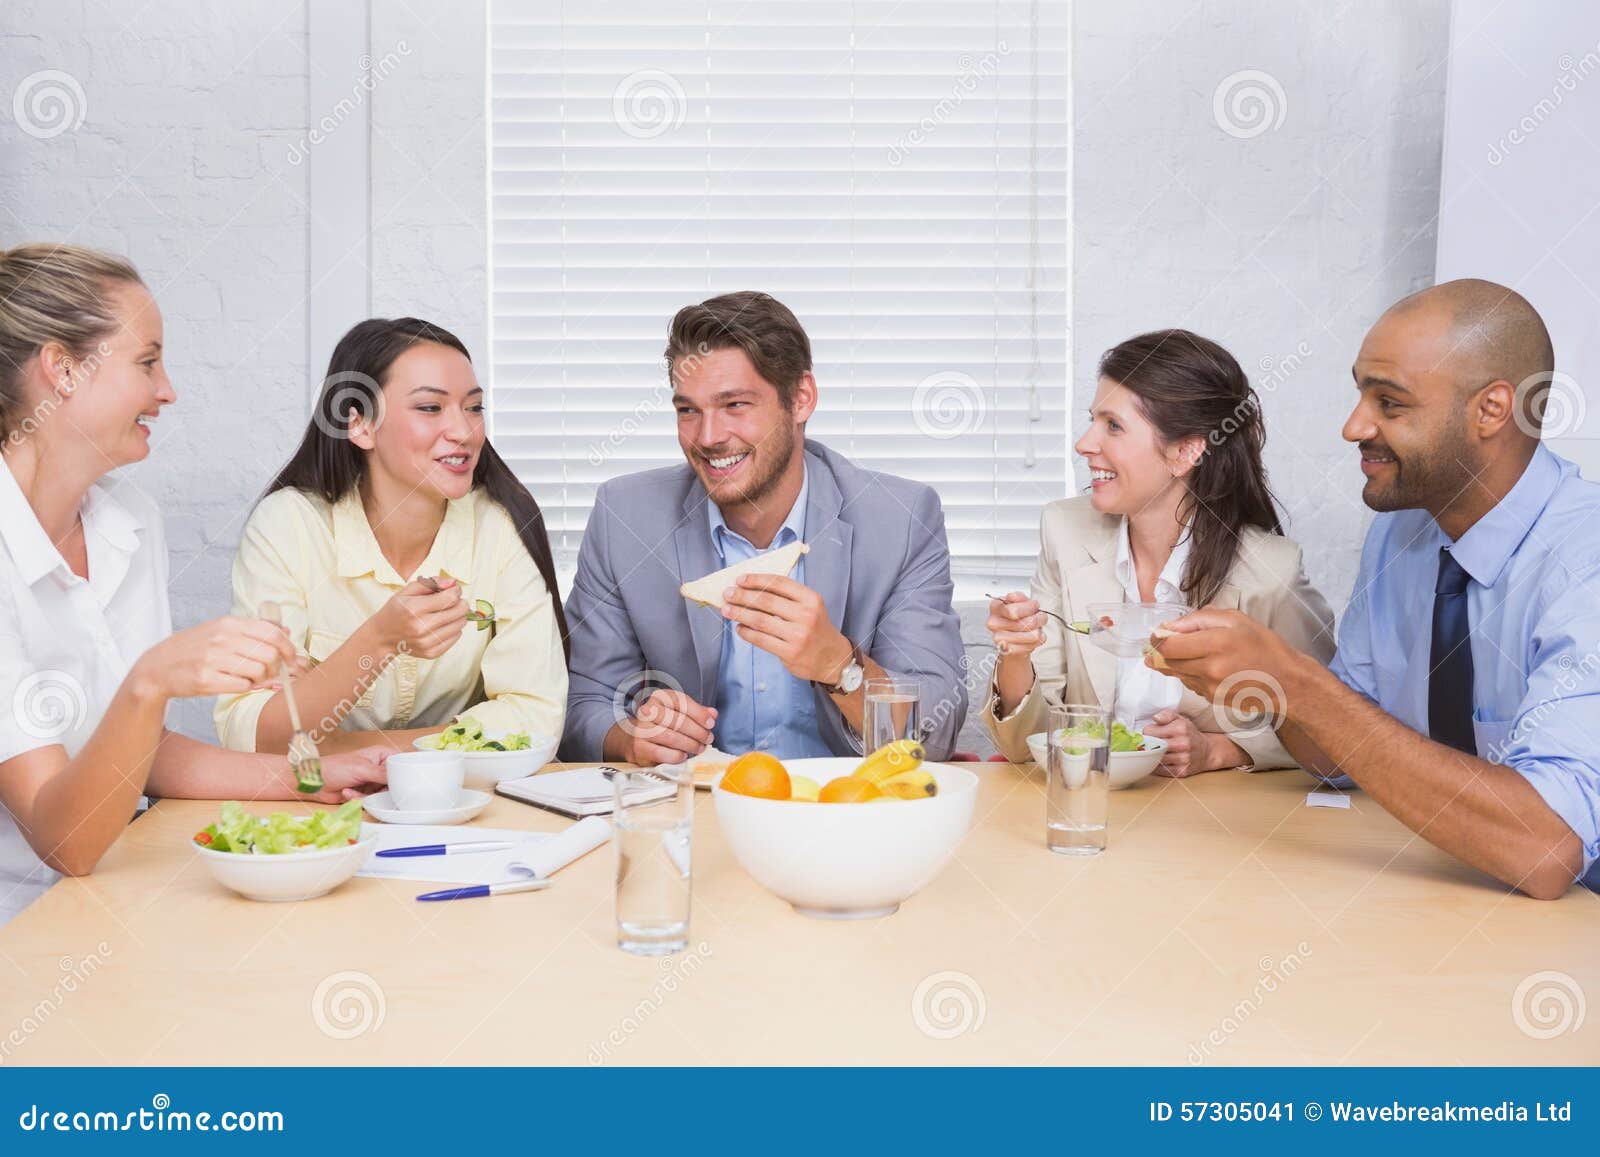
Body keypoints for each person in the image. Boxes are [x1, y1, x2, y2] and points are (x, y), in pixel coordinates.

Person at [1153, 280, 1600, 900]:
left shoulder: (1587, 561)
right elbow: (1337, 755)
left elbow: (1546, 849)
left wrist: (1300, 681)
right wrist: (1267, 682)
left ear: (1492, 410)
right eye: (1359, 391)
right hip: (1454, 894)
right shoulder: (1402, 533)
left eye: (1389, 403)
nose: (1353, 425)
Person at [0, 244, 389, 925]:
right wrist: (152, 680)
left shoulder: (129, 522)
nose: (168, 389)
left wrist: (307, 777)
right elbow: (65, 840)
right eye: (147, 362)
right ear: (62, 369)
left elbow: (133, 753)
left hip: (114, 891)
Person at [559, 291, 967, 765]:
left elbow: (934, 735)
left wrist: (839, 665)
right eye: (688, 410)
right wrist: (631, 737)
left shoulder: (902, 518)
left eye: (734, 404)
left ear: (800, 399)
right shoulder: (624, 516)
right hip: (697, 811)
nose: (708, 437)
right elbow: (579, 703)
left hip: (843, 812)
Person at [982, 330, 1335, 774]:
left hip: (1211, 828)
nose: (1084, 443)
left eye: (1113, 425)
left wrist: (1220, 749)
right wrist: (1016, 655)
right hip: (1094, 811)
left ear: (1185, 451)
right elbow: (1023, 745)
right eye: (1093, 420)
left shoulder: (1271, 573)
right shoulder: (1065, 532)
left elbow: (1334, 732)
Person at [214, 318, 569, 755]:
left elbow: (536, 720)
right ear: (360, 425)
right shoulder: (288, 525)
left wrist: (341, 743)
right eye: (430, 408)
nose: (464, 431)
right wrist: (380, 640)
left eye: (474, 407)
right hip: (318, 806)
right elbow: (251, 732)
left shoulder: (498, 525)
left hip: (465, 802)